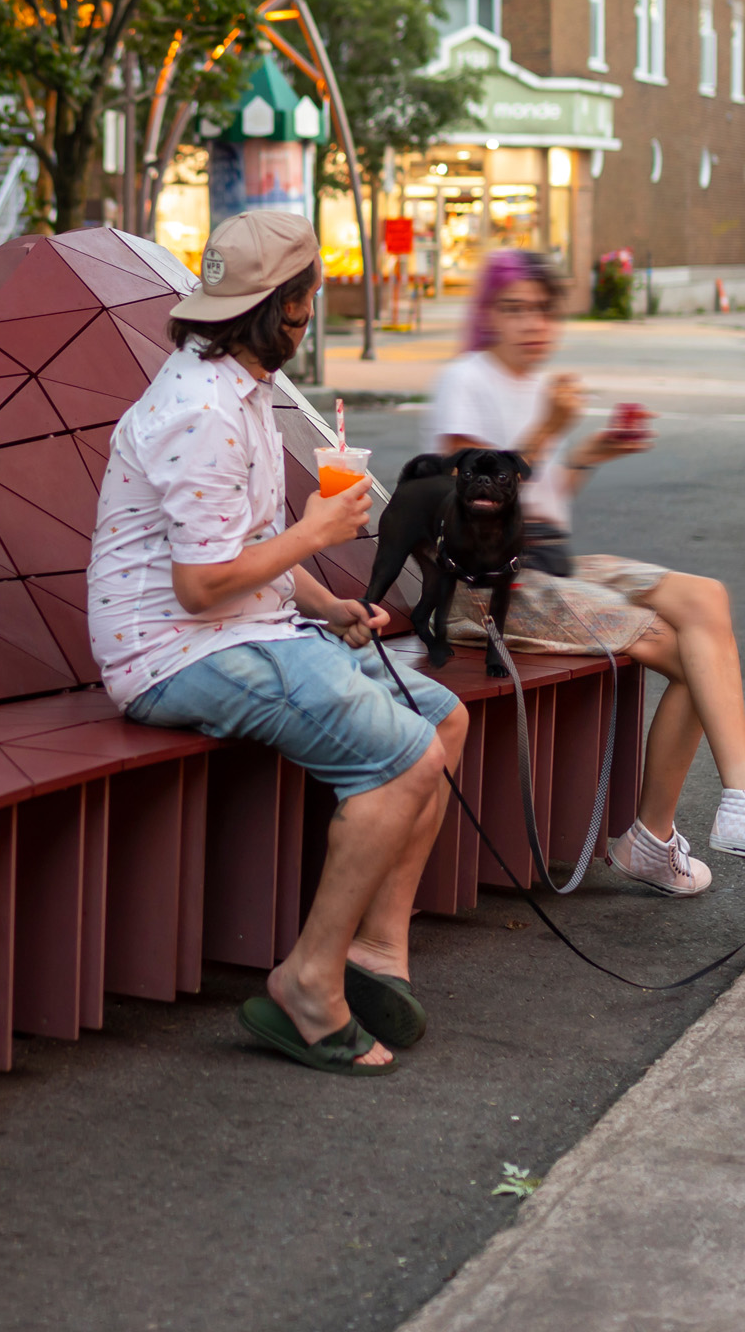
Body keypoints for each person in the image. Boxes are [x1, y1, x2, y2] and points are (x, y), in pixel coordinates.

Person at [89, 210, 469, 1075]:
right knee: (406, 756)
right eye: (305, 302)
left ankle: (376, 951)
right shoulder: (201, 412)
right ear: (276, 308)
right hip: (174, 652)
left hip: (240, 627)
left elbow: (242, 550)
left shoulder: (238, 388)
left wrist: (332, 605)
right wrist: (317, 531)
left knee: (442, 721)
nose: (309, 319)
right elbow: (199, 585)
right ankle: (308, 981)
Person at [422, 248, 745, 897]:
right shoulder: (467, 379)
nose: (531, 324)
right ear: (489, 315)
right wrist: (549, 428)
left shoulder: (543, 383)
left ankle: (729, 805)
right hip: (485, 588)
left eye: (542, 310)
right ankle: (669, 833)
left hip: (550, 559)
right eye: (513, 310)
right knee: (678, 648)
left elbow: (547, 500)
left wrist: (591, 452)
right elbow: (474, 502)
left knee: (705, 598)